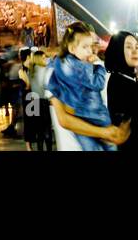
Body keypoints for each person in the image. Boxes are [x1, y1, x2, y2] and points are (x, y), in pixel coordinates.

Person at [46, 23, 131, 151]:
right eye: (85, 46)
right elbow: (64, 119)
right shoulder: (54, 72)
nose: (91, 50)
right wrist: (106, 132)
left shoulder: (101, 68)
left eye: (93, 45)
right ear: (72, 48)